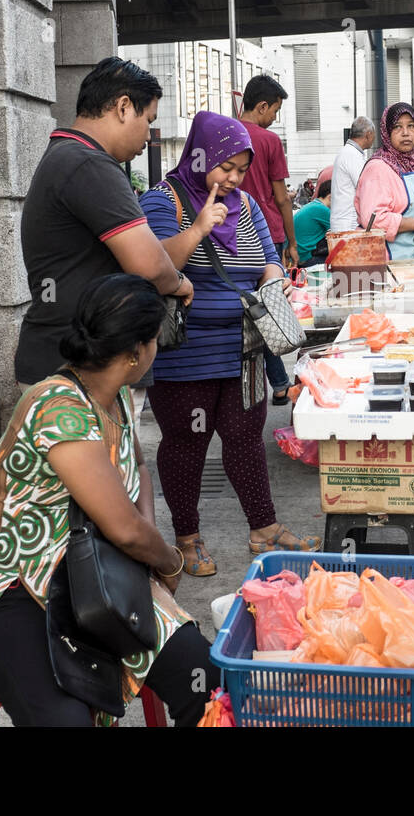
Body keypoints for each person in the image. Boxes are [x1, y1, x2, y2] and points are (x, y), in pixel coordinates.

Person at [0, 274, 218, 727]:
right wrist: (167, 562)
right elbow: (124, 530)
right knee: (66, 719)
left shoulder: (114, 399)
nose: (156, 350)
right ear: (136, 351)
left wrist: (144, 563)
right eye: (154, 341)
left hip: (100, 580)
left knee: (203, 672)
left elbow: (137, 470)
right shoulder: (58, 406)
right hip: (21, 590)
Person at [141, 111, 321, 577]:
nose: (234, 178)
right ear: (202, 155)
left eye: (241, 169)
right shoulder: (165, 200)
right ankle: (187, 537)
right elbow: (156, 267)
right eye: (226, 167)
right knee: (187, 442)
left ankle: (262, 528)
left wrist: (274, 280)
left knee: (245, 438)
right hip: (187, 352)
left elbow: (268, 259)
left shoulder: (246, 205)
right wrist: (199, 227)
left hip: (243, 347)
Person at [15, 58, 193, 424]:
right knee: (107, 480)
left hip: (69, 360)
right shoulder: (89, 164)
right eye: (149, 121)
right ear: (123, 107)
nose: (148, 136)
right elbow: (146, 264)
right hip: (84, 370)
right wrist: (178, 282)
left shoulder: (67, 156)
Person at [237, 74, 297, 404]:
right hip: (266, 235)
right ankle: (279, 384)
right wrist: (292, 242)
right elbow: (282, 198)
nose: (274, 117)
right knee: (270, 310)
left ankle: (247, 386)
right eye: (274, 109)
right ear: (262, 106)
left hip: (228, 237)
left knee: (243, 309)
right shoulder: (270, 142)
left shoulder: (223, 132)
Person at [354, 102, 414, 259]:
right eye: (397, 127)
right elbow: (373, 218)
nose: (405, 133)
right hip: (392, 268)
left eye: (411, 126)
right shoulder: (378, 168)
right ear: (386, 132)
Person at [329, 116, 376, 233]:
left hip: (344, 223)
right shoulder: (352, 155)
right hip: (348, 225)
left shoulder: (347, 152)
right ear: (368, 134)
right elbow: (366, 187)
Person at [294, 171, 333, 265]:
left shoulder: (313, 205)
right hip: (307, 258)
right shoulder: (322, 210)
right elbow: (340, 232)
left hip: (300, 255)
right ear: (331, 197)